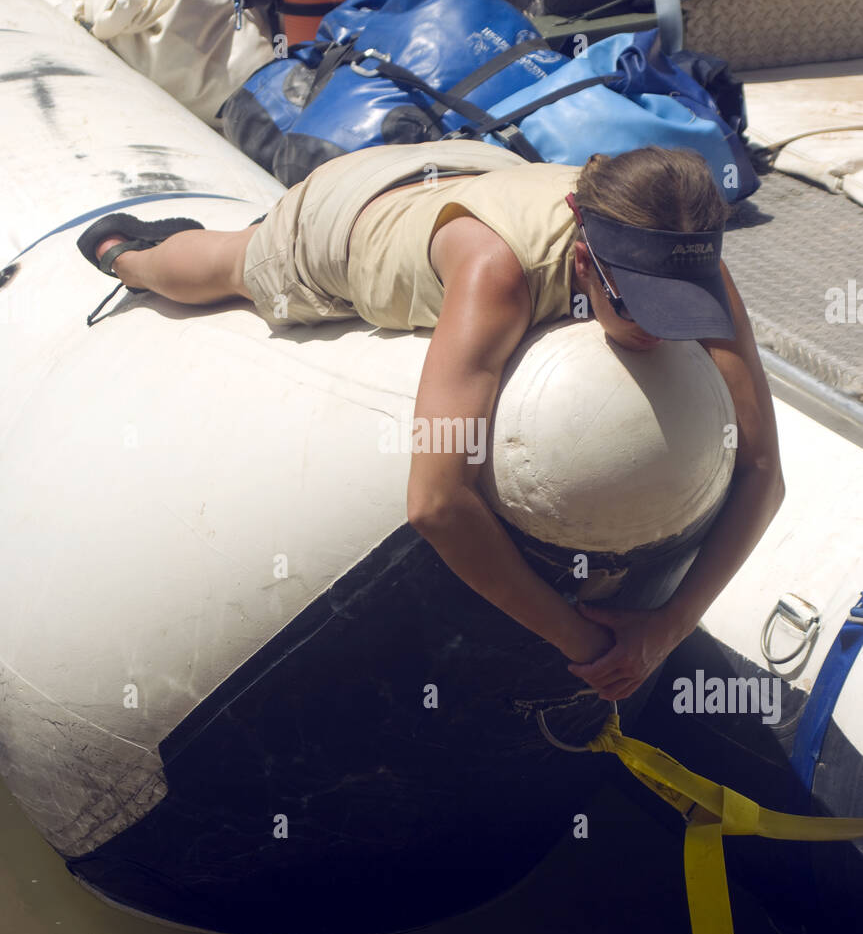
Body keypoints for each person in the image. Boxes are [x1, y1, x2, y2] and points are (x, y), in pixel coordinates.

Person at [77, 140, 784, 703]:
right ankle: (128, 254)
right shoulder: (496, 277)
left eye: (679, 312)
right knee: (228, 266)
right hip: (340, 225)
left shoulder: (681, 253)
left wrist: (667, 626)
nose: (662, 336)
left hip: (476, 174)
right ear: (581, 262)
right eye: (637, 308)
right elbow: (437, 502)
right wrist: (586, 646)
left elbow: (760, 471)